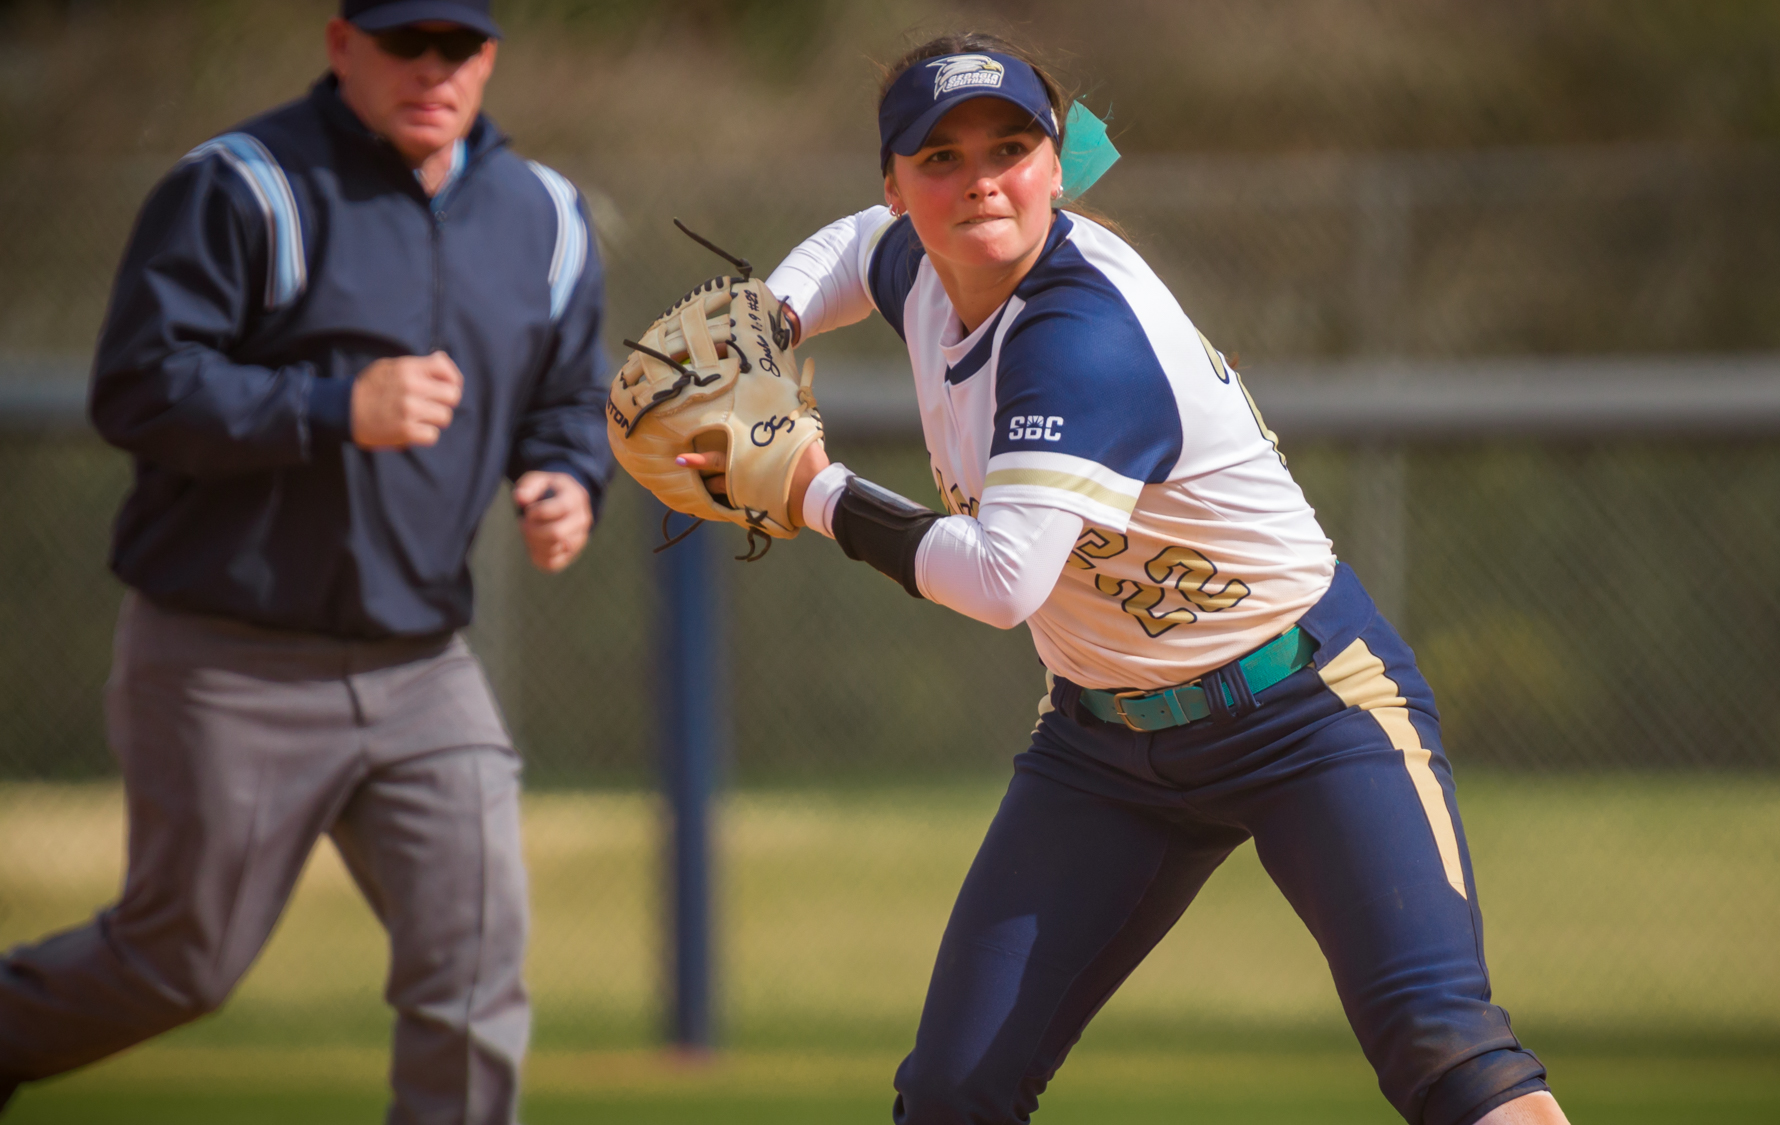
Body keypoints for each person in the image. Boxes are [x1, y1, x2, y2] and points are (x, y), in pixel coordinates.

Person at [685, 32, 1573, 1125]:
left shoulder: (1081, 331)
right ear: (895, 182)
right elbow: (851, 248)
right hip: (1104, 751)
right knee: (953, 1093)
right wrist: (765, 324)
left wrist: (811, 491)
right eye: (939, 158)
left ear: (1056, 164)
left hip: (1305, 710)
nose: (978, 182)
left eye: (1009, 148)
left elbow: (1005, 582)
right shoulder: (917, 259)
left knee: (1448, 1057)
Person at [0, 1, 609, 1120]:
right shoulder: (244, 184)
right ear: (340, 44)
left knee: (475, 973)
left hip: (424, 664)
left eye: (458, 45)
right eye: (403, 41)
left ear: (488, 55)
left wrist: (568, 479)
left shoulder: (547, 217)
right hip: (228, 660)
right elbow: (138, 388)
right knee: (177, 965)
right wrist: (334, 406)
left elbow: (569, 398)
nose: (432, 68)